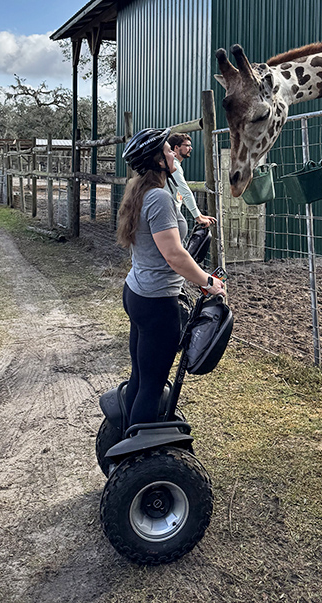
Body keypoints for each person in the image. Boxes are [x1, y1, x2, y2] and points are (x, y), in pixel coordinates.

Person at [117, 127, 226, 426]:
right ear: (157, 160)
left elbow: (163, 248)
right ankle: (140, 459)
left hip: (137, 291)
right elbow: (174, 256)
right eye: (167, 150)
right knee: (153, 384)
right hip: (157, 302)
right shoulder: (160, 199)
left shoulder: (139, 192)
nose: (173, 152)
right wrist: (208, 282)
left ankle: (128, 437)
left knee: (140, 375)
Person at [167, 132, 216, 227]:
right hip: (168, 217)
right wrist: (198, 218)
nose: (191, 148)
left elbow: (181, 194)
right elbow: (185, 192)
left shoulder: (174, 165)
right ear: (176, 147)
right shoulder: (174, 165)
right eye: (187, 145)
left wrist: (200, 215)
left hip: (170, 214)